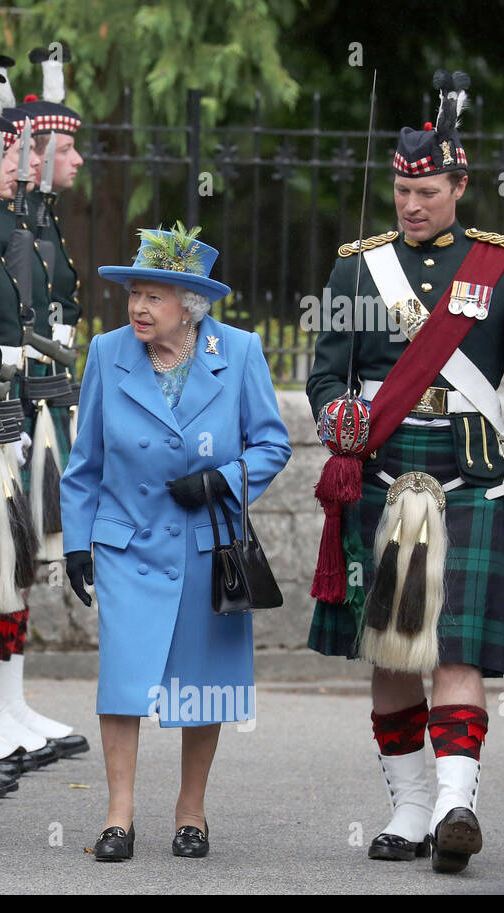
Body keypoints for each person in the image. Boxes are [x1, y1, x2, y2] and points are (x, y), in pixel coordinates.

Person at [306, 72, 504, 874]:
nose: (411, 204)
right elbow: (324, 376)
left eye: (427, 189)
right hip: (383, 482)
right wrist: (332, 416)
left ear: (460, 185)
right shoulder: (357, 270)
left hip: (470, 482)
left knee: (454, 650)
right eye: (402, 189)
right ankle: (409, 807)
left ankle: (455, 804)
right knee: (390, 652)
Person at [60, 223, 290, 861]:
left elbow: (272, 445)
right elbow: (84, 464)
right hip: (128, 543)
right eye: (134, 293)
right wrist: (78, 542)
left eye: (154, 297)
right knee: (124, 680)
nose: (137, 307)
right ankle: (118, 818)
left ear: (189, 308)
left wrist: (219, 481)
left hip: (205, 546)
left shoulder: (238, 351)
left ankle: (192, 813)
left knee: (203, 680)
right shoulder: (108, 353)